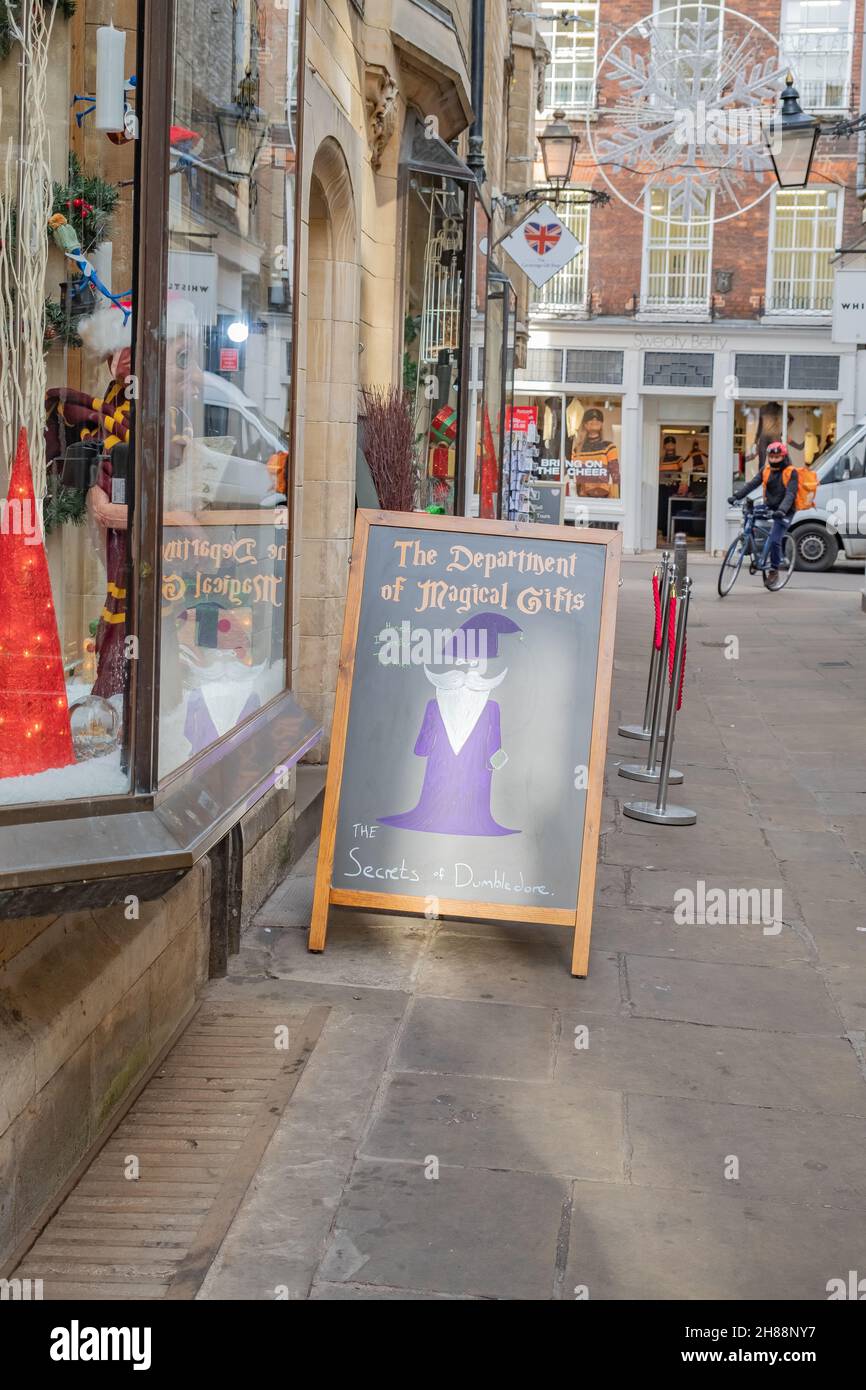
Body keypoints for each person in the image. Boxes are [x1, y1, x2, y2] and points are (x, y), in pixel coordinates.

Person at [729, 438, 798, 587]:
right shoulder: (765, 470)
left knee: (774, 539)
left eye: (777, 457)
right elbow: (752, 485)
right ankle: (749, 544)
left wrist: (782, 510)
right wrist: (736, 496)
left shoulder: (791, 472)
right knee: (749, 513)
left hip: (785, 510)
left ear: (784, 457)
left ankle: (774, 570)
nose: (774, 460)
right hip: (770, 505)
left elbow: (790, 495)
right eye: (771, 457)